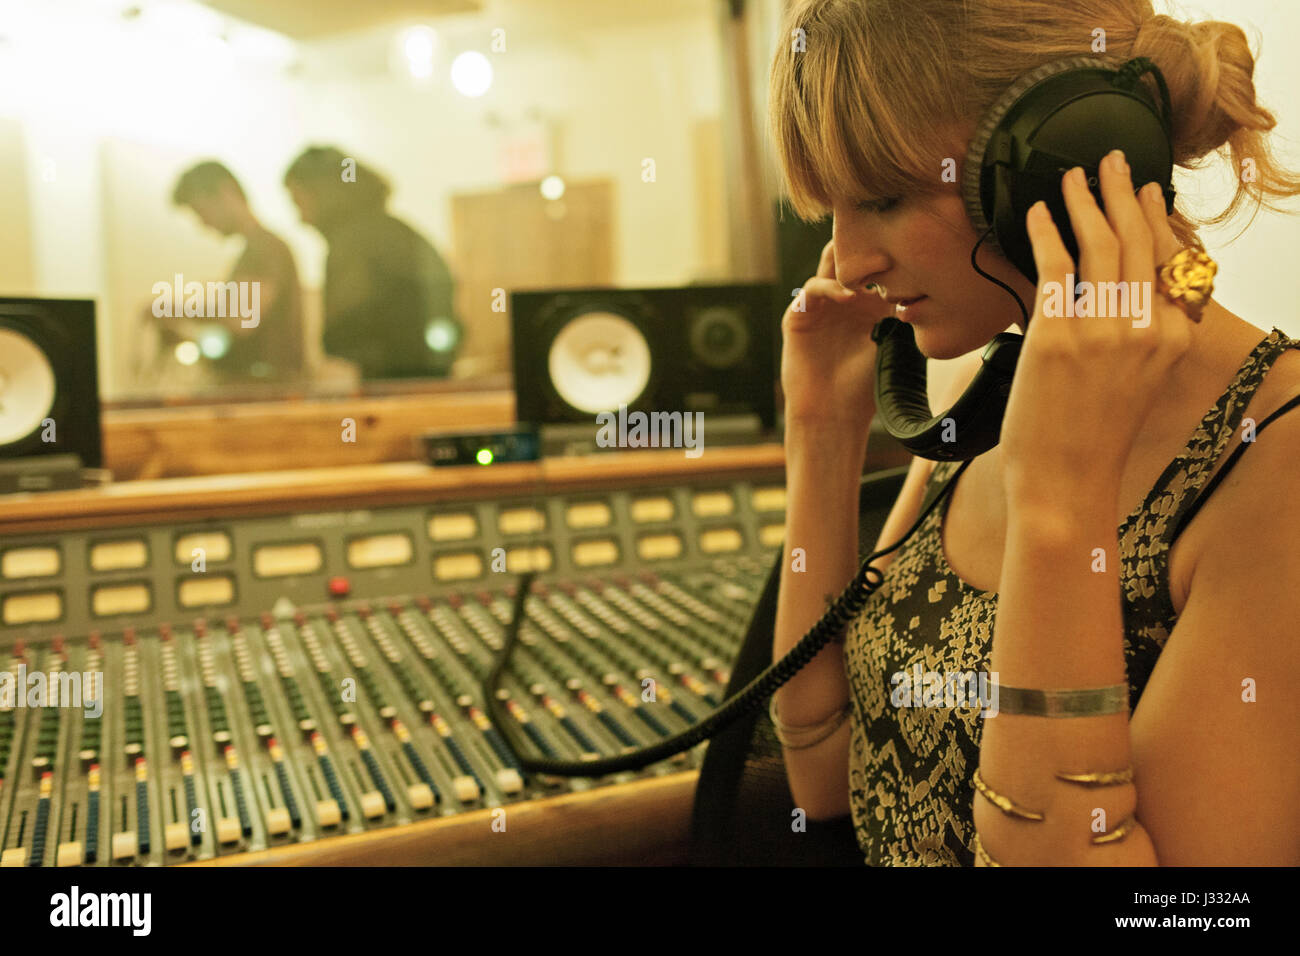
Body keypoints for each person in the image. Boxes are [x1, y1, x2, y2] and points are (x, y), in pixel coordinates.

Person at [767, 0, 1300, 866]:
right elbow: (824, 774)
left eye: (885, 198)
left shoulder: (1278, 457)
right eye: (831, 211)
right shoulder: (994, 403)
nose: (849, 258)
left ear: (1068, 156)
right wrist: (823, 431)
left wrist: (1060, 499)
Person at [283, 147, 460, 380]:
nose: (301, 219)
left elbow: (344, 337)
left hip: (386, 390)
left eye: (299, 202)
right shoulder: (399, 233)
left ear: (323, 194)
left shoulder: (353, 243)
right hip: (426, 384)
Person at [171, 161, 306, 384]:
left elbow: (242, 319)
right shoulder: (258, 249)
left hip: (265, 390)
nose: (203, 223)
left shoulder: (264, 248)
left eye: (201, 211)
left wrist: (173, 310)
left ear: (226, 192)